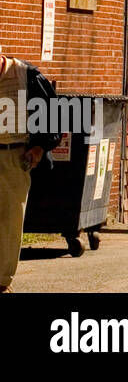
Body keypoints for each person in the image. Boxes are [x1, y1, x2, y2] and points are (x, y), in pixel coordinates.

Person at [0, 55, 58, 293]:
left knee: (9, 221)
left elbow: (53, 116)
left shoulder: (27, 75)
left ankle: (2, 281)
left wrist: (39, 146)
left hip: (13, 155)